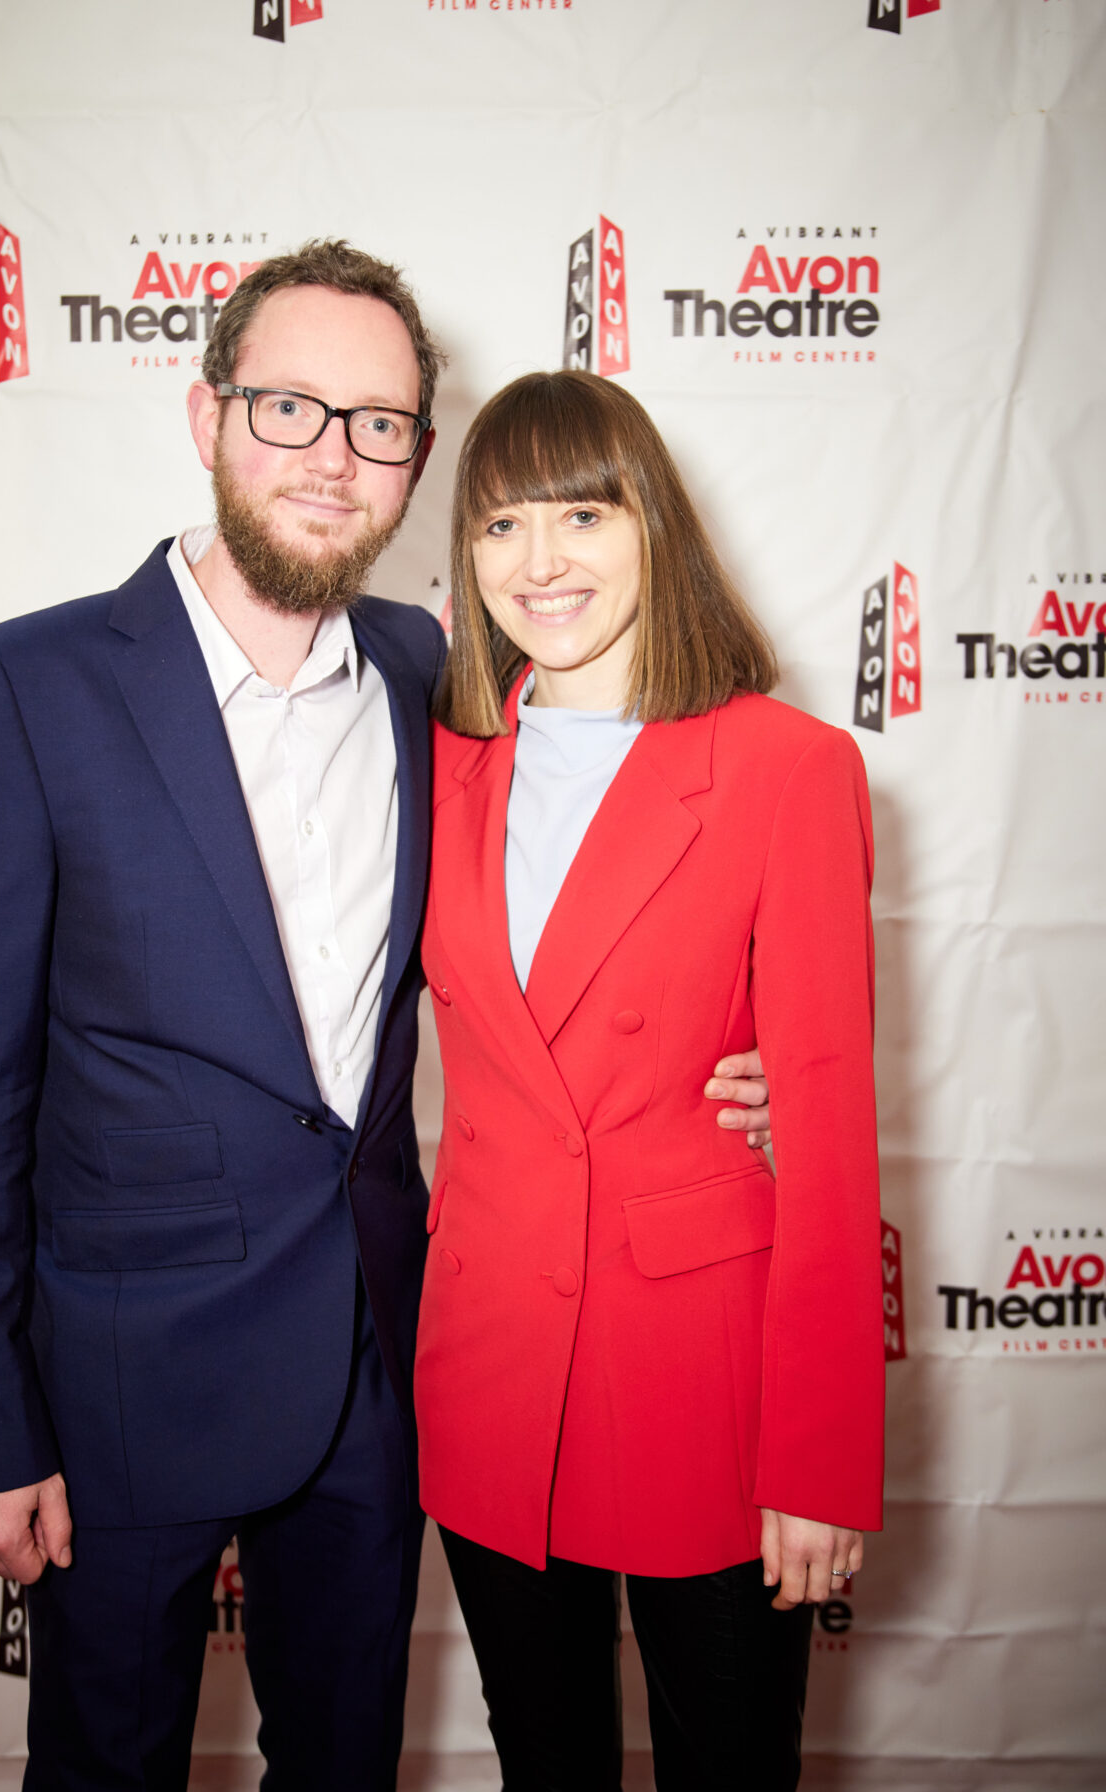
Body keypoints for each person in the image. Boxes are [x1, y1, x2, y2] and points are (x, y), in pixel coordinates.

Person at [0, 242, 773, 1790]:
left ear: (416, 463)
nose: (331, 456)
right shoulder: (27, 689)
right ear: (208, 415)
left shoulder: (436, 673)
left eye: (376, 424)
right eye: (288, 407)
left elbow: (587, 890)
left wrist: (744, 1057)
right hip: (119, 1393)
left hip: (375, 1372)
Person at [415, 369, 884, 1790]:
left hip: (703, 1377)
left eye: (582, 514)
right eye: (500, 525)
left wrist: (820, 1461)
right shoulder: (436, 768)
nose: (539, 561)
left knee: (729, 1764)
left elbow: (831, 1137)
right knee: (543, 1763)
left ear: (651, 524)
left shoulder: (786, 767)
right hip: (494, 1361)